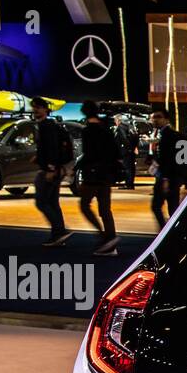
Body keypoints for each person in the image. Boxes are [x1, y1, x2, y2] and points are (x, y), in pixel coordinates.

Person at [77, 100, 121, 257]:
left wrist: (79, 169)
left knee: (84, 205)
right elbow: (115, 151)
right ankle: (111, 238)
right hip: (106, 175)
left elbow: (88, 154)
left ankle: (104, 236)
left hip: (93, 175)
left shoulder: (88, 131)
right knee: (105, 209)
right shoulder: (106, 129)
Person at [31, 97, 74, 247]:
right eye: (34, 107)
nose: (35, 110)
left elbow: (52, 148)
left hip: (50, 170)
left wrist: (51, 168)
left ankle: (59, 231)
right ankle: (58, 234)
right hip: (55, 168)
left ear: (45, 109)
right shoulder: (49, 125)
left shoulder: (46, 126)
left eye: (37, 107)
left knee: (42, 202)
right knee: (53, 202)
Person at [150, 107, 181, 226]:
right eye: (154, 117)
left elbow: (169, 159)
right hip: (167, 177)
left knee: (158, 207)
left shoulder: (168, 135)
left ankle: (167, 233)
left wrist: (165, 179)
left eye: (159, 117)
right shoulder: (161, 134)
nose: (155, 120)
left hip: (167, 178)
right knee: (172, 209)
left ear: (166, 120)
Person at [113, 114, 138, 190]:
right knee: (131, 167)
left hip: (126, 150)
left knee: (127, 167)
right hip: (131, 150)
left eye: (115, 120)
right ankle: (131, 183)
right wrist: (134, 147)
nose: (115, 122)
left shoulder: (121, 127)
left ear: (118, 120)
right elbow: (136, 136)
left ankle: (128, 184)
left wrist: (128, 148)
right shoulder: (129, 126)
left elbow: (124, 138)